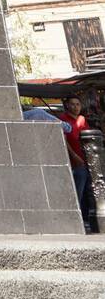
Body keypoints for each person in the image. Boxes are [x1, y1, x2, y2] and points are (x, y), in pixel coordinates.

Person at [59, 94, 95, 233]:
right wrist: (74, 156)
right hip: (75, 162)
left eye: (78, 104)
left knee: (89, 193)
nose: (75, 107)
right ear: (67, 105)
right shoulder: (63, 119)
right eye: (72, 104)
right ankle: (77, 221)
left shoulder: (82, 119)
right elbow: (64, 139)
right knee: (77, 192)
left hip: (87, 161)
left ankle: (87, 220)